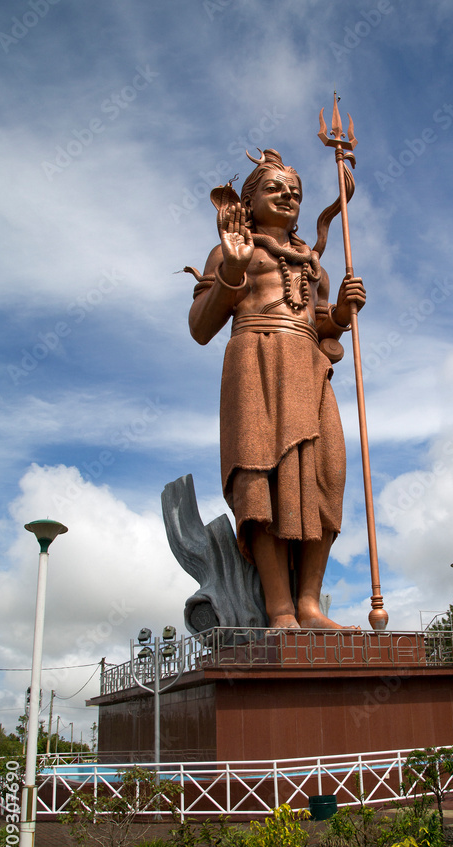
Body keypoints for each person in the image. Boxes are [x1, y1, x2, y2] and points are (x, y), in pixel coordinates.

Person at [188, 149, 366, 630]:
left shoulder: (314, 266)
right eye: (275, 189)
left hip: (308, 370)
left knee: (324, 476)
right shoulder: (235, 249)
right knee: (262, 481)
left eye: (296, 193)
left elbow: (322, 324)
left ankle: (309, 604)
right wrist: (231, 269)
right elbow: (201, 327)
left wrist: (344, 313)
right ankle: (280, 608)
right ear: (249, 199)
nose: (288, 197)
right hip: (256, 363)